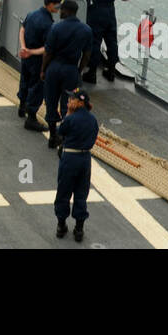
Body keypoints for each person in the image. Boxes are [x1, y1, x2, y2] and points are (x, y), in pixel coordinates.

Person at [41, 0, 93, 149]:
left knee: (51, 102)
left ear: (66, 11)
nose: (60, 12)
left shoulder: (55, 28)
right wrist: (78, 71)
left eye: (61, 10)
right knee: (68, 105)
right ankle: (64, 140)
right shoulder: (86, 30)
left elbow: (48, 53)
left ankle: (52, 136)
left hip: (54, 68)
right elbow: (87, 55)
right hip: (71, 70)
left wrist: (43, 70)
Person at [53, 88, 99, 242]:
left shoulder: (71, 119)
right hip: (85, 159)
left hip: (70, 157)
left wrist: (67, 116)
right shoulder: (93, 120)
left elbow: (61, 131)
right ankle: (79, 229)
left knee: (64, 191)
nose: (68, 101)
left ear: (80, 102)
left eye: (71, 99)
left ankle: (61, 225)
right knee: (81, 193)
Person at [17, 0, 60, 132]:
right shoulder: (48, 24)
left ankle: (21, 106)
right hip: (36, 60)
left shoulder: (31, 14)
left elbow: (22, 30)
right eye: (57, 4)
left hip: (26, 56)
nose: (59, 7)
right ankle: (31, 118)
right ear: (50, 5)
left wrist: (24, 48)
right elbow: (47, 48)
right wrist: (31, 52)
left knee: (24, 80)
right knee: (36, 86)